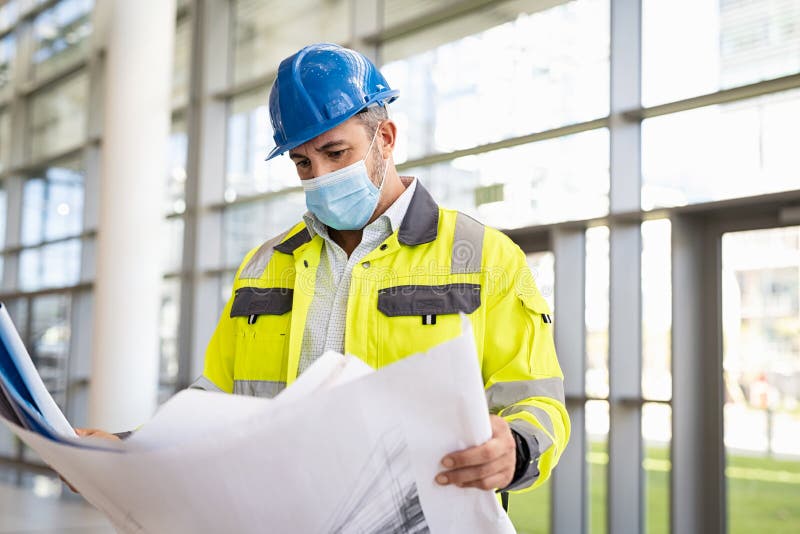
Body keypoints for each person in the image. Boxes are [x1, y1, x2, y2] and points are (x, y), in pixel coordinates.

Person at [78, 43, 569, 497]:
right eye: (302, 163)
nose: (321, 176)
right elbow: (214, 403)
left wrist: (517, 449)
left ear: (386, 137)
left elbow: (538, 403)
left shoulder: (486, 257)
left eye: (336, 153)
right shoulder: (265, 266)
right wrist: (129, 449)